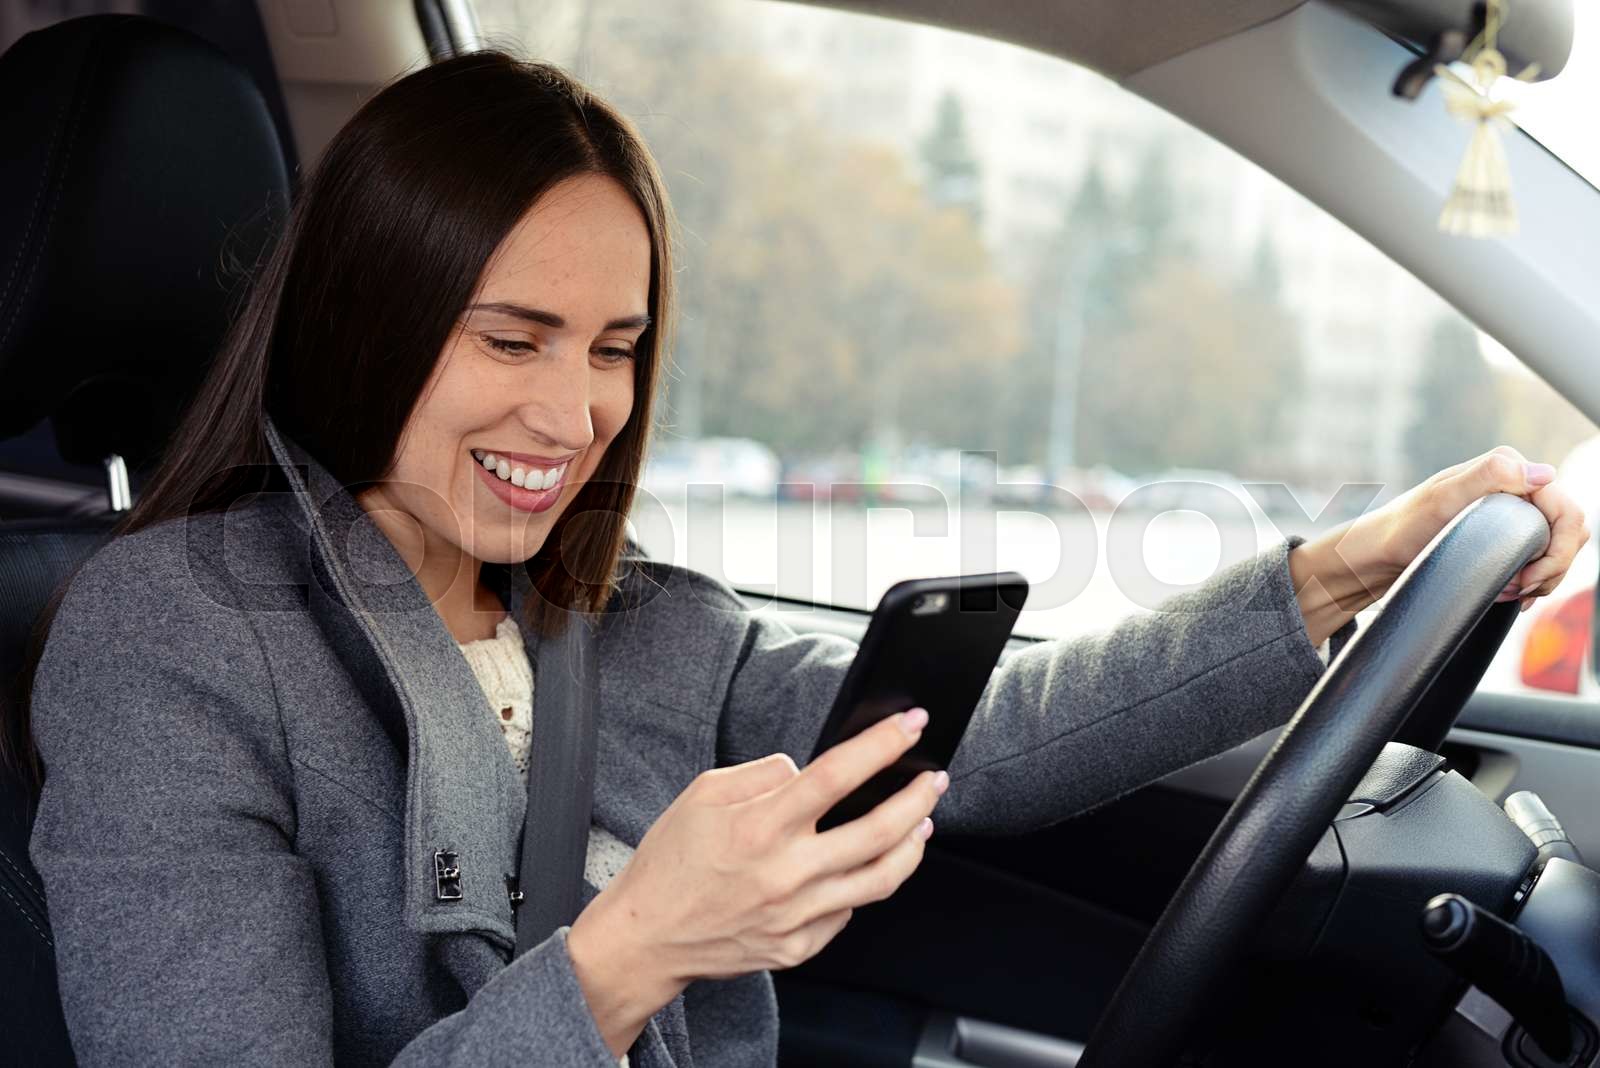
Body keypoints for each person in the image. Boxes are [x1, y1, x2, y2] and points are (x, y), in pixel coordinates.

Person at [7, 52, 1587, 1068]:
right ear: (368, 312)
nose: (572, 413)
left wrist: (1338, 575)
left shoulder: (624, 623)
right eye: (514, 336)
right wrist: (632, 956)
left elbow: (986, 748)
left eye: (616, 349)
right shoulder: (173, 644)